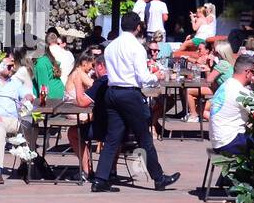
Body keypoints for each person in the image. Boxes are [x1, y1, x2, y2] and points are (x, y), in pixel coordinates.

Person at [90, 12, 179, 193]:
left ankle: (100, 179)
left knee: (112, 138)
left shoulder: (111, 47)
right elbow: (143, 77)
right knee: (144, 138)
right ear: (138, 27)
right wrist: (157, 76)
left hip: (112, 92)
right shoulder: (137, 47)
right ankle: (159, 178)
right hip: (129, 94)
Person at [0, 53, 53, 185]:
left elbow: (28, 94)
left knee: (31, 123)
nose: (12, 68)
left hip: (12, 120)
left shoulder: (15, 83)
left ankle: (26, 162)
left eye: (13, 65)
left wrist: (27, 98)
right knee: (0, 128)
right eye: (9, 66)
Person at [210, 53, 254, 156]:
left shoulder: (226, 84)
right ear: (248, 72)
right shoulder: (240, 91)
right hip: (230, 143)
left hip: (219, 141)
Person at [64, 52, 99, 180]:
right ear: (84, 63)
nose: (92, 67)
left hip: (77, 109)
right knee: (77, 132)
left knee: (75, 133)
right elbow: (93, 85)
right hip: (76, 111)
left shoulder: (78, 72)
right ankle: (87, 169)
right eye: (91, 65)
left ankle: (86, 169)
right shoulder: (79, 73)